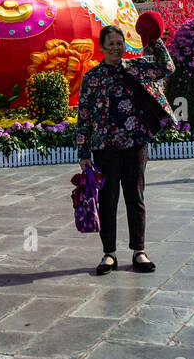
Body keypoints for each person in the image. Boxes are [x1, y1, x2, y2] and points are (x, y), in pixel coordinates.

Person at [75, 19, 174, 276]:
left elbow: (167, 67)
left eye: (119, 43)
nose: (116, 48)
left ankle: (139, 251)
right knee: (107, 200)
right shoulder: (92, 77)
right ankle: (109, 253)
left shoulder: (136, 68)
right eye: (111, 44)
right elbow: (84, 116)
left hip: (135, 144)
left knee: (135, 197)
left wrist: (154, 39)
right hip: (104, 148)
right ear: (101, 46)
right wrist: (83, 153)